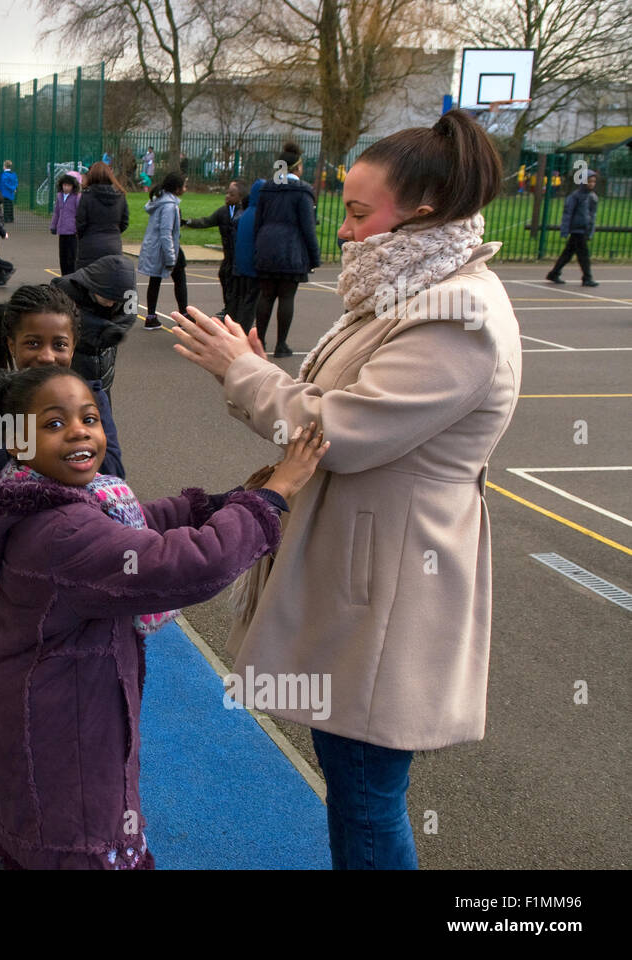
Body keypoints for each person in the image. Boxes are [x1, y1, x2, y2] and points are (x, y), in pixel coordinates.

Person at [169, 108, 522, 871]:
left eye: (360, 212)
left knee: (364, 794)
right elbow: (337, 404)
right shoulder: (413, 288)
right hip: (372, 567)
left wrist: (244, 372)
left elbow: (345, 433)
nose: (349, 231)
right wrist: (268, 377)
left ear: (423, 211)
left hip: (391, 585)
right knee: (359, 785)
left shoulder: (457, 314)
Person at [0, 364, 325, 869]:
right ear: (18, 445)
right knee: (80, 841)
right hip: (57, 723)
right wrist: (271, 496)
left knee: (39, 840)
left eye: (89, 417)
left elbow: (141, 523)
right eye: (53, 424)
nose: (78, 432)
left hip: (37, 703)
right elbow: (182, 562)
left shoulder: (58, 497)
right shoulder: (60, 531)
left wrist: (218, 505)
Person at [0, 284, 127, 604]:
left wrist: (61, 447)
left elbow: (114, 471)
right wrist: (19, 447)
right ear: (12, 345)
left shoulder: (91, 397)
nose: (47, 355)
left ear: (73, 348)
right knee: (17, 644)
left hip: (80, 550)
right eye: (32, 343)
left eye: (59, 344)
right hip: (16, 558)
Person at [252, 142, 320, 357]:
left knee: (266, 295)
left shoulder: (266, 188)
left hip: (266, 245)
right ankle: (281, 345)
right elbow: (308, 228)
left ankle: (259, 341)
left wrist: (258, 246)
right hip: (291, 248)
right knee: (286, 297)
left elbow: (258, 221)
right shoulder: (302, 191)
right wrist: (314, 257)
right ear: (297, 168)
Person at [51, 253, 137, 401]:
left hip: (104, 376)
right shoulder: (64, 290)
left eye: (116, 301)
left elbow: (128, 316)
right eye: (107, 298)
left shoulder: (125, 292)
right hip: (73, 374)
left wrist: (110, 332)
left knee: (104, 420)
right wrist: (102, 330)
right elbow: (67, 321)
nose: (111, 304)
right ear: (93, 285)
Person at [183, 179, 246, 318]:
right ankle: (228, 308)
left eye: (232, 194)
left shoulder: (244, 213)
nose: (227, 196)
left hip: (240, 257)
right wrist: (187, 222)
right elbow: (206, 221)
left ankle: (236, 311)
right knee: (224, 275)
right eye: (227, 193)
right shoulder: (224, 212)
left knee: (236, 283)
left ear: (240, 198)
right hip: (228, 255)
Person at [138, 172, 188, 330]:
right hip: (166, 248)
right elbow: (166, 233)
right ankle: (184, 316)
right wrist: (170, 258)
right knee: (180, 280)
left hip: (156, 247)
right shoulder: (169, 205)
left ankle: (151, 316)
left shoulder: (160, 200)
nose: (186, 189)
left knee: (155, 280)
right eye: (184, 186)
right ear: (177, 188)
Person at [75, 161, 129, 271]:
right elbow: (124, 223)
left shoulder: (86, 196)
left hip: (90, 247)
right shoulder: (120, 197)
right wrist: (113, 233)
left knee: (85, 283)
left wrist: (84, 238)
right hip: (113, 247)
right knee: (109, 283)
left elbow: (80, 224)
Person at [547, 172, 599, 287]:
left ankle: (554, 273)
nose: (592, 184)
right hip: (576, 230)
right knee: (583, 255)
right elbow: (567, 214)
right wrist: (565, 230)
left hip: (584, 230)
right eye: (589, 181)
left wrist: (590, 231)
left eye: (593, 182)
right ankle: (587, 277)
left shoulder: (593, 197)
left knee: (568, 254)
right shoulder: (575, 196)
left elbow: (593, 216)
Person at [231, 178, 265, 333]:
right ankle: (243, 332)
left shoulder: (245, 213)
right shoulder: (259, 214)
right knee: (251, 302)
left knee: (244, 299)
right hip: (253, 265)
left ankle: (239, 327)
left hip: (241, 264)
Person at [50, 173, 81, 275]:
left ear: (73, 186)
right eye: (64, 185)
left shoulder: (77, 197)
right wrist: (53, 226)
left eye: (68, 185)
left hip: (73, 232)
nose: (66, 187)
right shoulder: (59, 196)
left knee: (71, 257)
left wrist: (79, 228)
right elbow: (57, 212)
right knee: (62, 256)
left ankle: (72, 277)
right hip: (62, 231)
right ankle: (64, 276)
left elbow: (79, 214)